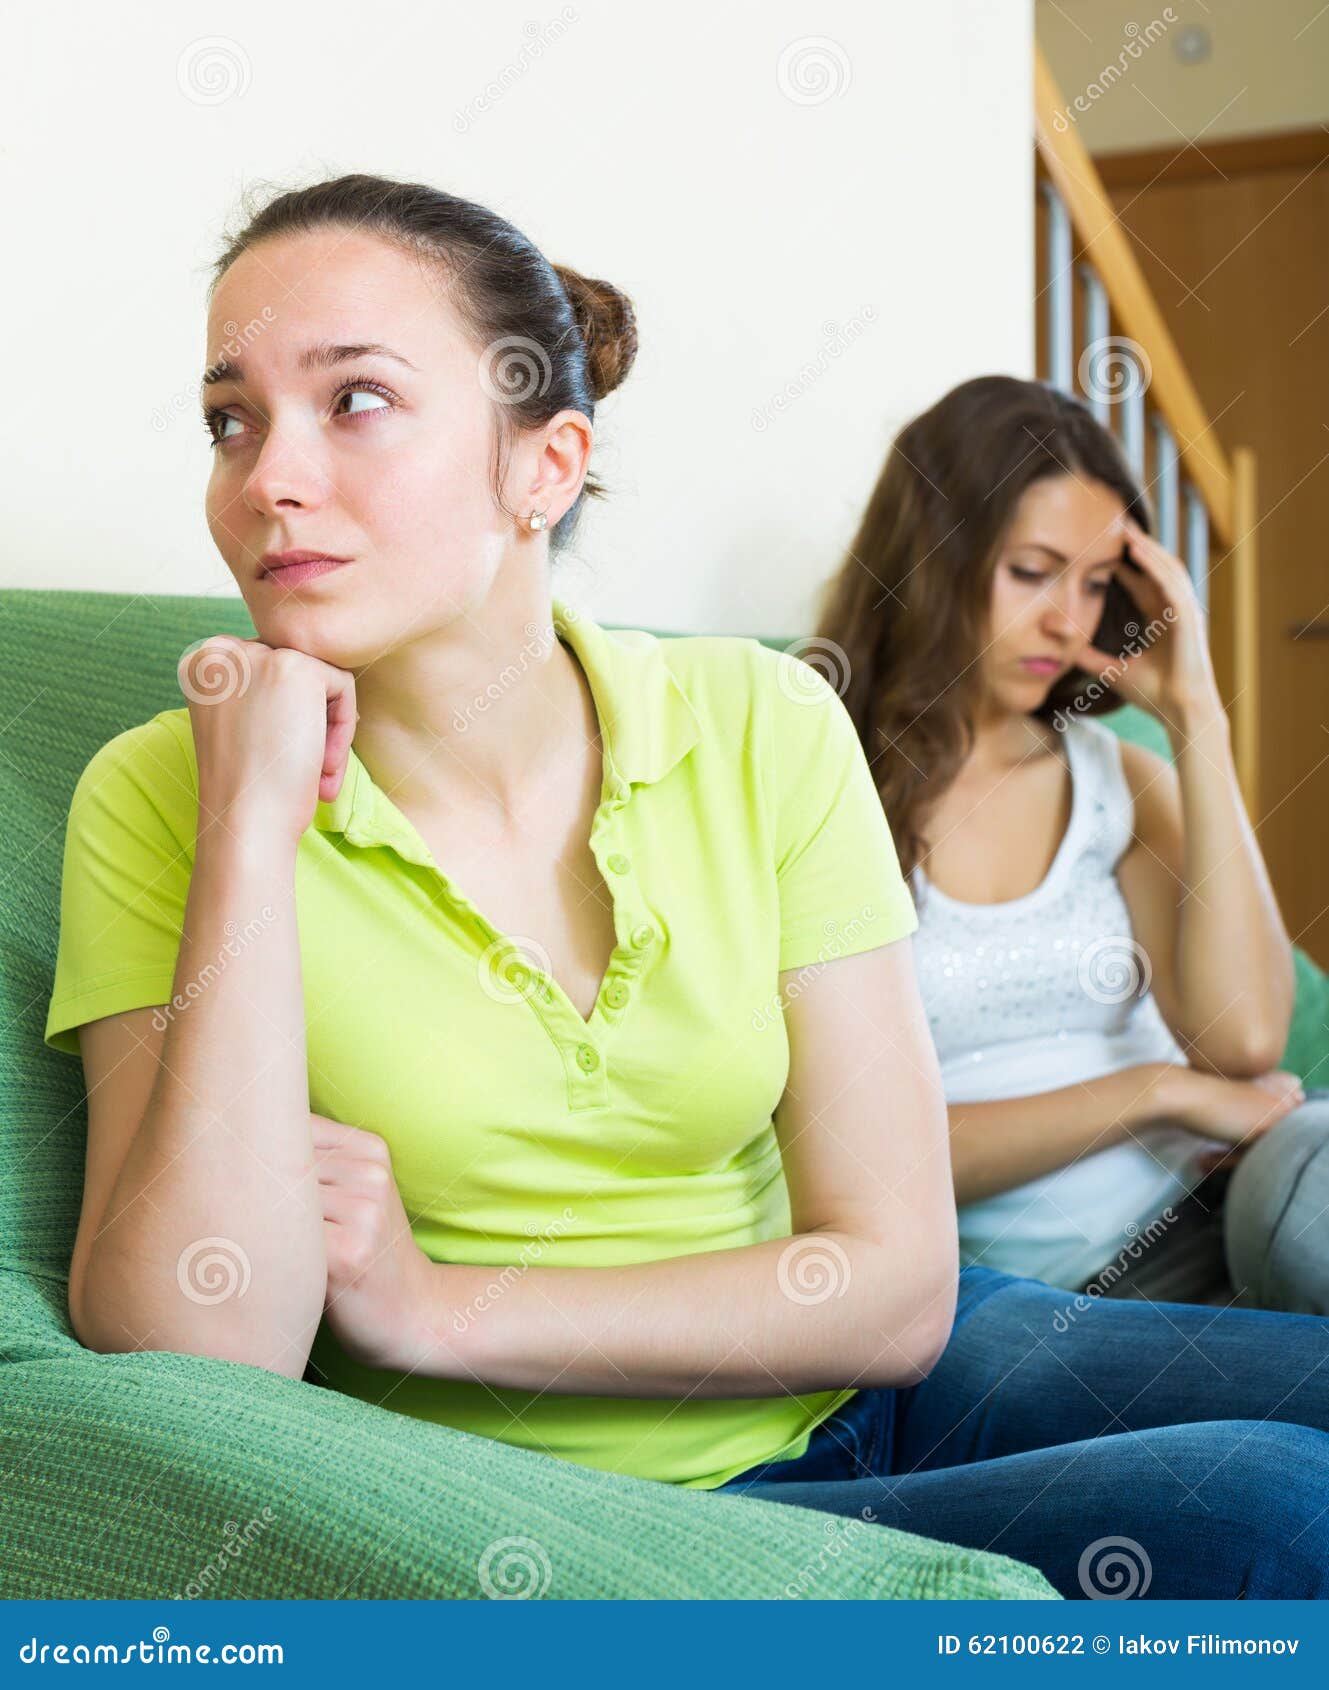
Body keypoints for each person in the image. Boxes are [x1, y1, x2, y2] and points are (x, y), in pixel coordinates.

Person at [44, 178, 1329, 1600]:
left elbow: (899, 1284)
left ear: (545, 465)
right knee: (1280, 1516)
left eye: (354, 401)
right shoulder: (162, 794)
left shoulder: (763, 719)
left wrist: (437, 1307)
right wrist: (248, 821)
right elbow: (191, 1345)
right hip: (609, 1503)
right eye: (231, 418)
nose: (264, 477)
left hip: (877, 1367)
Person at [815, 373, 1329, 1313]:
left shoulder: (1114, 779)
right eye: (1031, 571)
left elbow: (1246, 1037)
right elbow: (856, 1154)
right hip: (1029, 1302)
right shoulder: (818, 784)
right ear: (934, 557)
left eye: (1095, 583)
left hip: (1223, 1201)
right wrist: (1152, 1094)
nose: (1067, 619)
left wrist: (1195, 719)